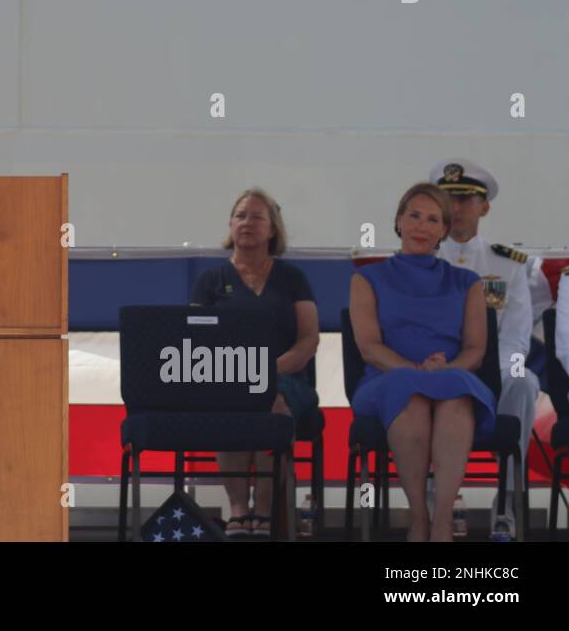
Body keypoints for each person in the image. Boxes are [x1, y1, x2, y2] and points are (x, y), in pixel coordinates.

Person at [350, 183, 496, 542]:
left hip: (451, 374)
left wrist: (446, 369)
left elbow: (475, 350)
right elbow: (369, 347)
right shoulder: (366, 278)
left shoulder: (468, 282)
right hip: (387, 378)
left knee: (456, 392)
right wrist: (416, 371)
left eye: (433, 219)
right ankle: (418, 517)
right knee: (409, 391)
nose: (422, 226)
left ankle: (442, 519)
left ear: (444, 230)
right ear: (399, 221)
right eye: (414, 215)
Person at [190, 188, 319, 538]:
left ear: (272, 229)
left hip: (287, 379)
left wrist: (268, 370)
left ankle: (264, 511)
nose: (247, 223)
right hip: (226, 377)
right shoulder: (210, 281)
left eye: (257, 217)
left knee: (270, 399)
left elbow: (309, 340)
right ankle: (238, 510)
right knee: (231, 401)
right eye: (240, 215)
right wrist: (238, 372)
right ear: (231, 225)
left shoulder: (293, 279)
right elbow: (196, 342)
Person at [429, 158, 540, 538]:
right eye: (448, 199)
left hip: (493, 372)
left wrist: (502, 369)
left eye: (465, 200)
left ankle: (507, 501)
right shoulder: (421, 259)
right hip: (437, 369)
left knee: (524, 381)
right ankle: (438, 498)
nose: (455, 208)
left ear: (484, 207)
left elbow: (516, 334)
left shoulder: (507, 264)